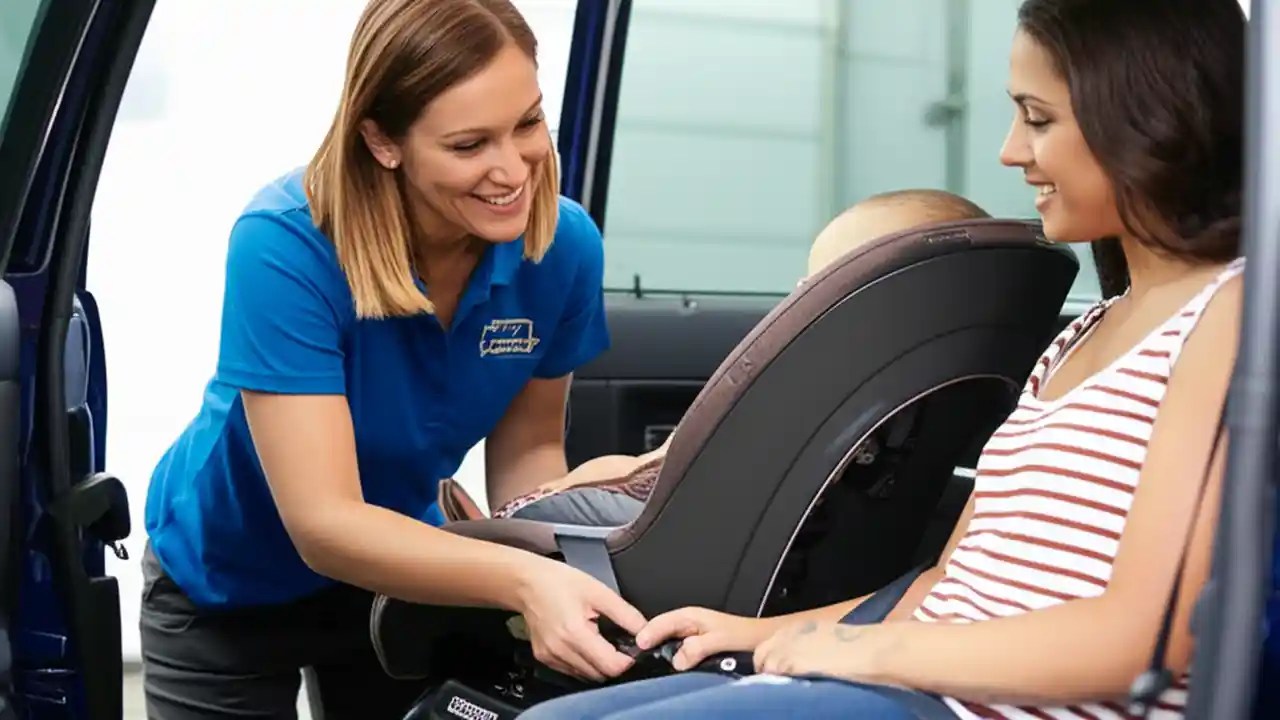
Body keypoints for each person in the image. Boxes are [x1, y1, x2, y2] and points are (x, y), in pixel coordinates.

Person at [521, 0, 1246, 717]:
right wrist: (775, 635)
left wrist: (858, 654)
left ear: (1148, 118)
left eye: (1038, 117)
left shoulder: (1228, 312)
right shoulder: (1083, 333)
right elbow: (950, 584)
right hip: (924, 681)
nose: (1010, 151)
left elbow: (1150, 637)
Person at [137, 1, 648, 718]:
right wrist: (519, 579)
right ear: (383, 141)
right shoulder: (285, 244)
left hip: (398, 574)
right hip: (227, 580)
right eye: (470, 145)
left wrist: (539, 538)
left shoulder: (561, 248)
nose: (514, 169)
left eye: (528, 123)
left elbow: (529, 450)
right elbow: (325, 524)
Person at [440, 189, 993, 527]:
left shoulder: (818, 391)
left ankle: (500, 530)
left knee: (593, 488)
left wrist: (567, 492)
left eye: (822, 288)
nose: (799, 300)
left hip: (685, 531)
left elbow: (674, 472)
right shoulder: (923, 401)